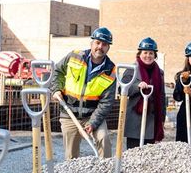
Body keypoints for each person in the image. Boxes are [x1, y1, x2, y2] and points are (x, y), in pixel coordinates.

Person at [50, 26, 116, 159]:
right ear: (91, 43)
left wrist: (93, 122)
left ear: (108, 47)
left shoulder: (110, 71)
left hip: (92, 115)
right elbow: (57, 72)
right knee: (71, 154)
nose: (100, 47)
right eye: (97, 43)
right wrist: (56, 89)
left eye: (104, 44)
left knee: (104, 139)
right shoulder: (74, 56)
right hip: (69, 113)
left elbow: (106, 102)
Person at [123, 37, 165, 149]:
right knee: (133, 155)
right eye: (145, 52)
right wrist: (137, 86)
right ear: (139, 54)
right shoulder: (131, 69)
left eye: (151, 53)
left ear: (155, 55)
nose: (148, 56)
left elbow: (162, 97)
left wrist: (162, 119)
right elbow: (123, 90)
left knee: (149, 157)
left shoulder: (160, 73)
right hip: (135, 122)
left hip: (152, 122)